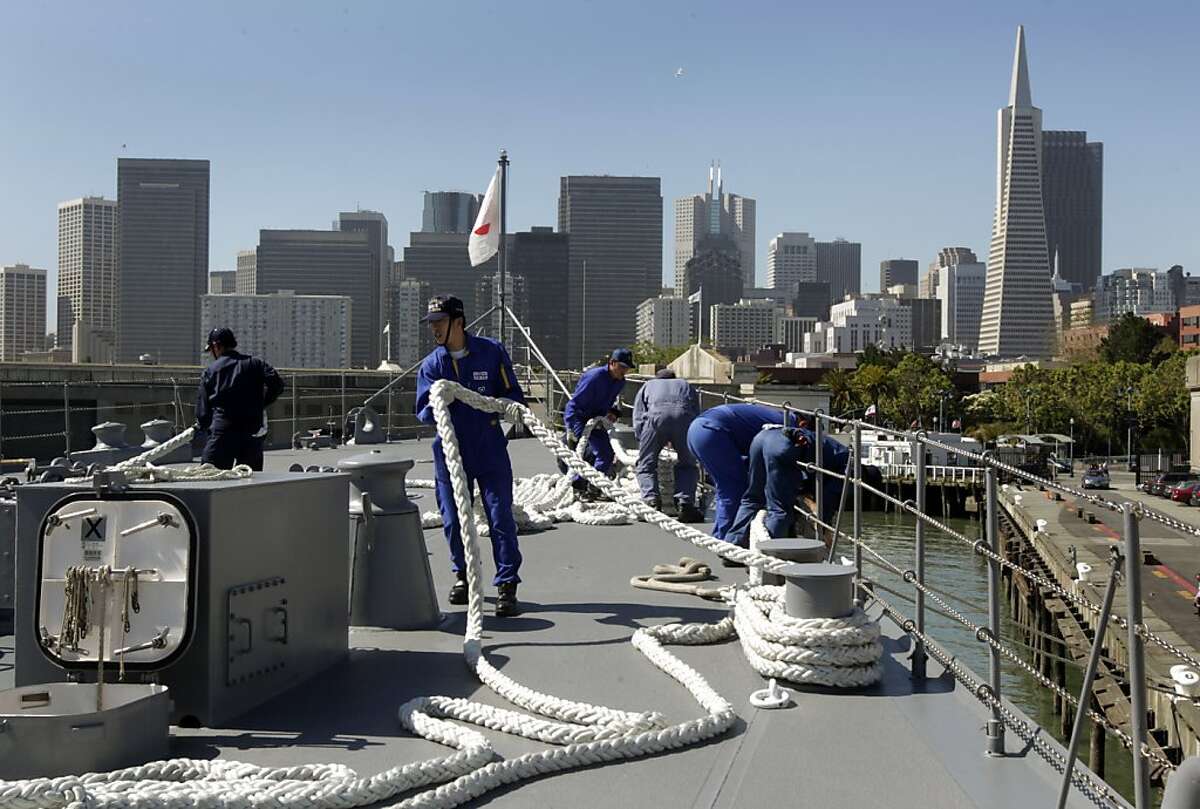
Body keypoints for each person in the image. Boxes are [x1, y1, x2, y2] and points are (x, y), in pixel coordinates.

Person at [414, 295, 525, 617]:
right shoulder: (432, 365)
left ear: (458, 322)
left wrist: (510, 407)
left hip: (488, 447)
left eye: (439, 322)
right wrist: (439, 403)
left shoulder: (491, 352)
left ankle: (507, 584)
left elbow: (513, 394)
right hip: (451, 452)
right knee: (453, 519)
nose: (434, 329)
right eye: (431, 323)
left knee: (500, 517)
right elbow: (423, 411)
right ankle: (463, 576)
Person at [726, 425, 852, 549]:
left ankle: (732, 545)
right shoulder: (847, 466)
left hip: (762, 438)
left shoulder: (834, 450)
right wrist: (824, 525)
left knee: (753, 498)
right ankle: (770, 555)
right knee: (779, 510)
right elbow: (828, 496)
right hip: (783, 445)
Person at [685, 403, 785, 541]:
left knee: (726, 487)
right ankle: (725, 541)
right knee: (733, 489)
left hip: (699, 430)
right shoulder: (788, 425)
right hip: (713, 432)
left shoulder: (775, 416)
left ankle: (721, 536)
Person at [195, 327, 283, 471]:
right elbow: (277, 385)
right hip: (251, 432)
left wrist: (208, 429)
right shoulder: (255, 363)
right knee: (249, 478)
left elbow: (203, 413)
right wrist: (261, 404)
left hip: (222, 432)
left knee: (212, 476)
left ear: (216, 346)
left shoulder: (211, 370)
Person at [632, 369, 703, 522]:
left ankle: (651, 501)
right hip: (684, 419)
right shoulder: (685, 385)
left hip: (655, 419)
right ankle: (685, 504)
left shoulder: (648, 385)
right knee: (687, 464)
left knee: (646, 465)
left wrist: (641, 438)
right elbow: (696, 411)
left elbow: (638, 415)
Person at [562, 348, 632, 495]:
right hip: (579, 418)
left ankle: (594, 486)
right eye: (622, 367)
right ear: (612, 363)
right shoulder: (594, 377)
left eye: (627, 368)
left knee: (606, 453)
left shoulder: (620, 382)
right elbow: (575, 403)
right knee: (580, 453)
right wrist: (570, 426)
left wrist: (612, 412)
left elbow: (608, 401)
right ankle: (578, 486)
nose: (624, 371)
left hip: (597, 419)